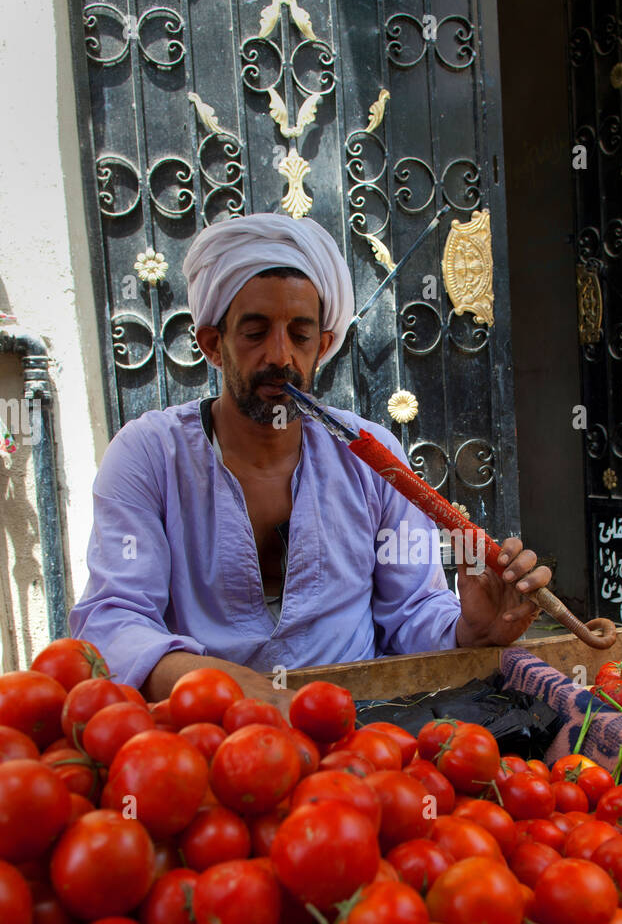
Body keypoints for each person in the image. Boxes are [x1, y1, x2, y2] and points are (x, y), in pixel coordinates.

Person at [68, 213, 551, 711]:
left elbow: (409, 615)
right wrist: (225, 687)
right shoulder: (148, 456)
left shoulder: (372, 455)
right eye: (255, 333)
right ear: (214, 344)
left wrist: (471, 629)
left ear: (322, 345)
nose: (280, 357)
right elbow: (113, 620)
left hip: (362, 727)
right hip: (210, 732)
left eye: (300, 336)